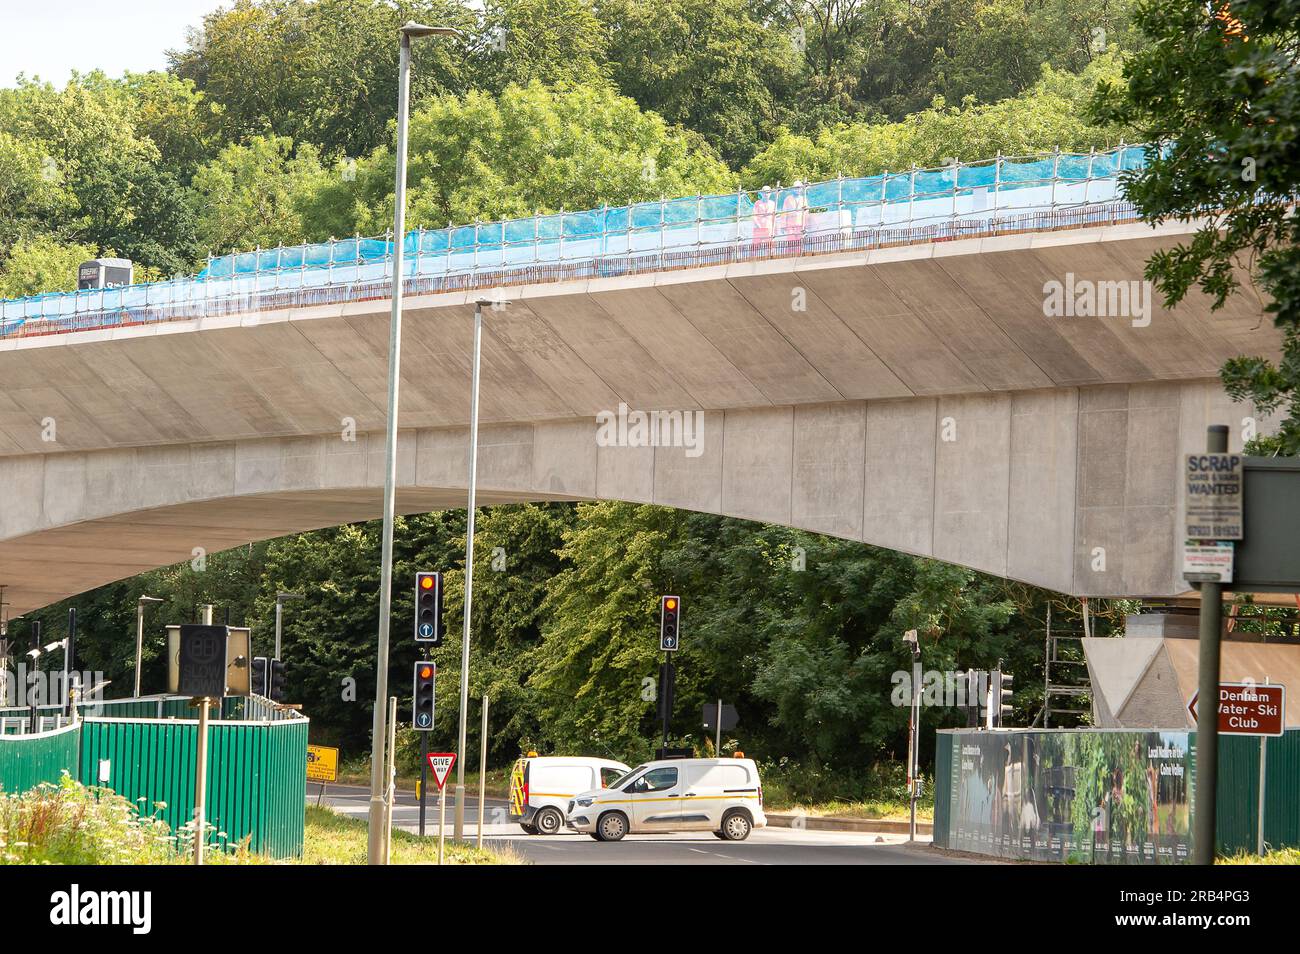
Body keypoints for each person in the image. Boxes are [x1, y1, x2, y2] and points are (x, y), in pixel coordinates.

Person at [780, 180, 808, 245]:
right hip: (790, 225)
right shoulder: (788, 199)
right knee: (791, 243)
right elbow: (784, 212)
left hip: (800, 225)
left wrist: (806, 225)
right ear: (792, 189)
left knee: (799, 243)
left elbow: (806, 213)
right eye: (796, 188)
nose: (797, 190)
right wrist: (783, 225)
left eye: (799, 188)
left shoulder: (803, 199)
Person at [751, 186, 776, 251]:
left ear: (770, 193)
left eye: (768, 192)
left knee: (770, 247)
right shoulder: (757, 203)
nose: (766, 194)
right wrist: (758, 226)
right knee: (755, 248)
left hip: (769, 228)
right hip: (758, 228)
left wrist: (774, 228)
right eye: (764, 192)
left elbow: (774, 216)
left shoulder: (773, 203)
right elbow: (754, 216)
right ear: (761, 193)